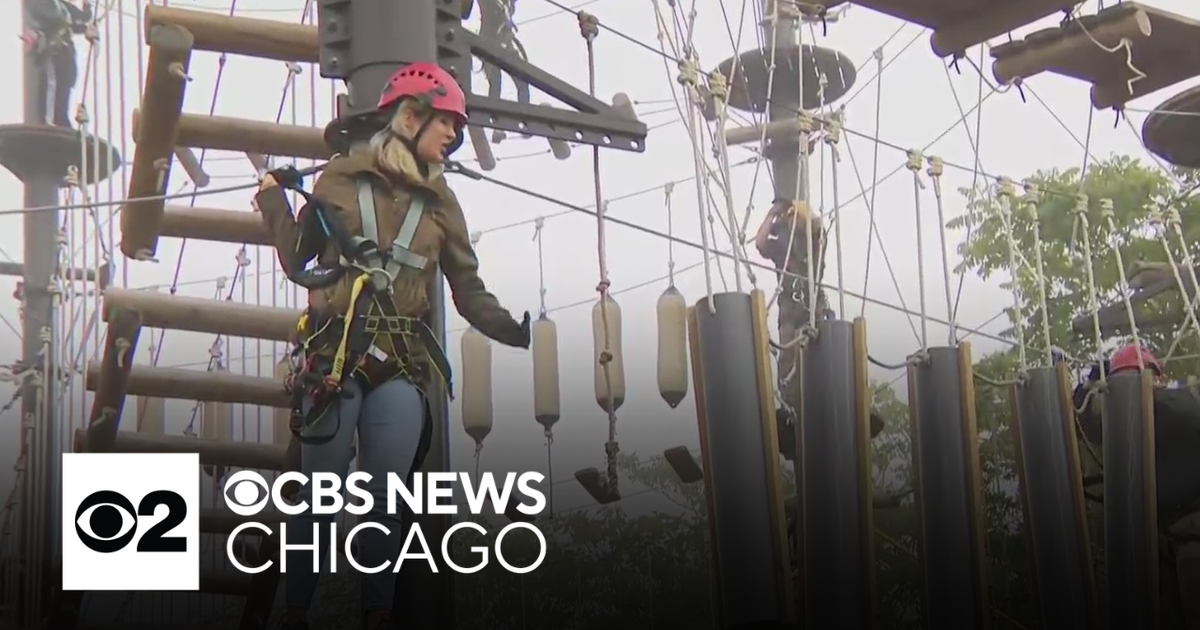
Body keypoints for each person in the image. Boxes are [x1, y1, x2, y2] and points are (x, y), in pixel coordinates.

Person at [253, 62, 531, 630]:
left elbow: (466, 287)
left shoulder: (443, 203)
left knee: (386, 497)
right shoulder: (337, 180)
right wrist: (274, 204)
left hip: (400, 365)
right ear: (409, 117)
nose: (453, 135)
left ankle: (378, 614)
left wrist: (509, 329)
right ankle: (295, 613)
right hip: (334, 357)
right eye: (445, 123)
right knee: (318, 492)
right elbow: (298, 260)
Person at [1074, 344, 1200, 629]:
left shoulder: (1178, 403)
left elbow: (1159, 408)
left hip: (1193, 531)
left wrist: (1104, 388)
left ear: (1154, 378)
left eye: (1125, 383)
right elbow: (1091, 427)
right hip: (1165, 535)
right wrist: (1086, 388)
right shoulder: (1136, 420)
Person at [756, 199, 882, 457]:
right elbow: (760, 242)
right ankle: (795, 417)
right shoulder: (783, 250)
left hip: (813, 315)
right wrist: (774, 213)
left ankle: (834, 404)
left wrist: (794, 206)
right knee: (788, 370)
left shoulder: (814, 248)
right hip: (789, 318)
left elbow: (813, 223)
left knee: (823, 363)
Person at [23, 0, 92, 129]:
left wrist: (87, 7)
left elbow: (83, 19)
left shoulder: (62, 5)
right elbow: (55, 18)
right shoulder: (43, 4)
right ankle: (48, 121)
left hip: (65, 52)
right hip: (52, 51)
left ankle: (60, 118)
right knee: (52, 85)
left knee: (65, 85)